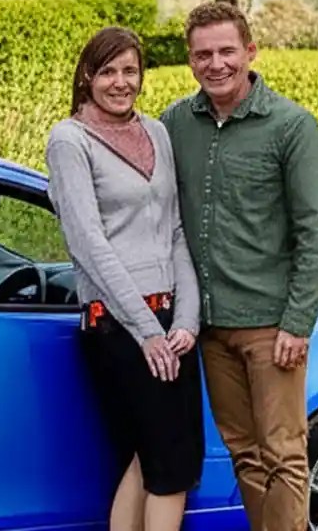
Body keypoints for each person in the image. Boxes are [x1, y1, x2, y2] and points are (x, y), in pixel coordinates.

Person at [160, 1, 318, 531]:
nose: (215, 64)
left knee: (283, 454)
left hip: (271, 327)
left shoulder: (291, 126)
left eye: (226, 51)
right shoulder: (176, 123)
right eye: (203, 54)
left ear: (250, 52)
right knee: (244, 454)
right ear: (190, 61)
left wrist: (297, 322)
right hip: (211, 328)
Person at [45, 26, 206, 531]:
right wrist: (147, 331)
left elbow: (177, 230)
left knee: (149, 458)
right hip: (118, 326)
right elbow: (89, 244)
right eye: (108, 71)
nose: (120, 82)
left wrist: (186, 319)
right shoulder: (69, 140)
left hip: (167, 324)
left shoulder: (156, 132)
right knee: (170, 463)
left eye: (130, 71)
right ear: (87, 76)